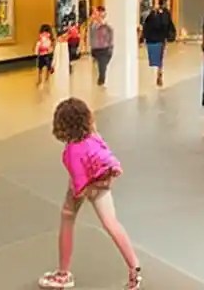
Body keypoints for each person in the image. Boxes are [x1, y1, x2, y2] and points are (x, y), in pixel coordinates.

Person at [37, 98, 142, 289]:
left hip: (88, 184)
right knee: (111, 223)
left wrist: (75, 200)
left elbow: (79, 183)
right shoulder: (93, 135)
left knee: (67, 218)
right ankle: (134, 267)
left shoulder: (71, 152)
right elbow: (105, 155)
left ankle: (63, 274)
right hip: (104, 179)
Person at [140, 4, 175, 87]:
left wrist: (143, 38)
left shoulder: (150, 15)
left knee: (158, 58)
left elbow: (146, 27)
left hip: (154, 39)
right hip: (161, 38)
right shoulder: (164, 14)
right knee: (160, 58)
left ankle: (158, 72)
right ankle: (159, 71)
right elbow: (169, 25)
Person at [88, 6, 115, 87]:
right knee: (102, 64)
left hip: (106, 47)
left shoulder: (107, 24)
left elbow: (111, 32)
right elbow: (91, 33)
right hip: (98, 48)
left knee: (103, 63)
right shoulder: (93, 25)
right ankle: (101, 78)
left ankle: (101, 77)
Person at [35, 23, 56, 88]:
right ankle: (43, 81)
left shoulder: (47, 40)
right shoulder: (47, 40)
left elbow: (51, 49)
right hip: (45, 55)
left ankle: (41, 81)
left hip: (45, 55)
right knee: (43, 68)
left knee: (42, 68)